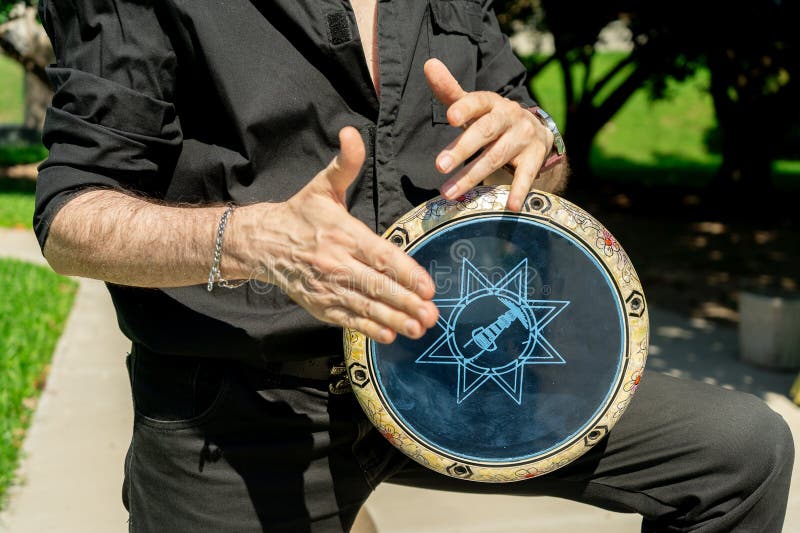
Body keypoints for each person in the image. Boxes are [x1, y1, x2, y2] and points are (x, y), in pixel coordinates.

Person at [34, 0, 793, 531]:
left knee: (740, 453)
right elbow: (69, 215)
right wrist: (253, 240)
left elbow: (536, 154)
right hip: (244, 405)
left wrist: (534, 139)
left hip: (448, 368)